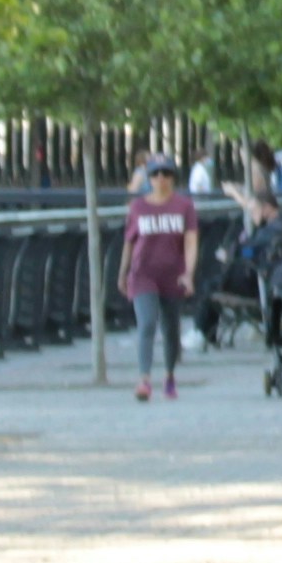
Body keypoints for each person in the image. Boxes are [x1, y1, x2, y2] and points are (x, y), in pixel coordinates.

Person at [122, 154, 200, 403]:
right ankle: (144, 379)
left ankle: (169, 376)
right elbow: (129, 242)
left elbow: (190, 241)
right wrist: (122, 272)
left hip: (173, 274)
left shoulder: (184, 206)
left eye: (166, 173)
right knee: (147, 323)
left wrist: (188, 273)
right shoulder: (137, 208)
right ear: (149, 178)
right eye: (155, 174)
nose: (161, 179)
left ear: (173, 177)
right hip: (143, 273)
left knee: (171, 328)